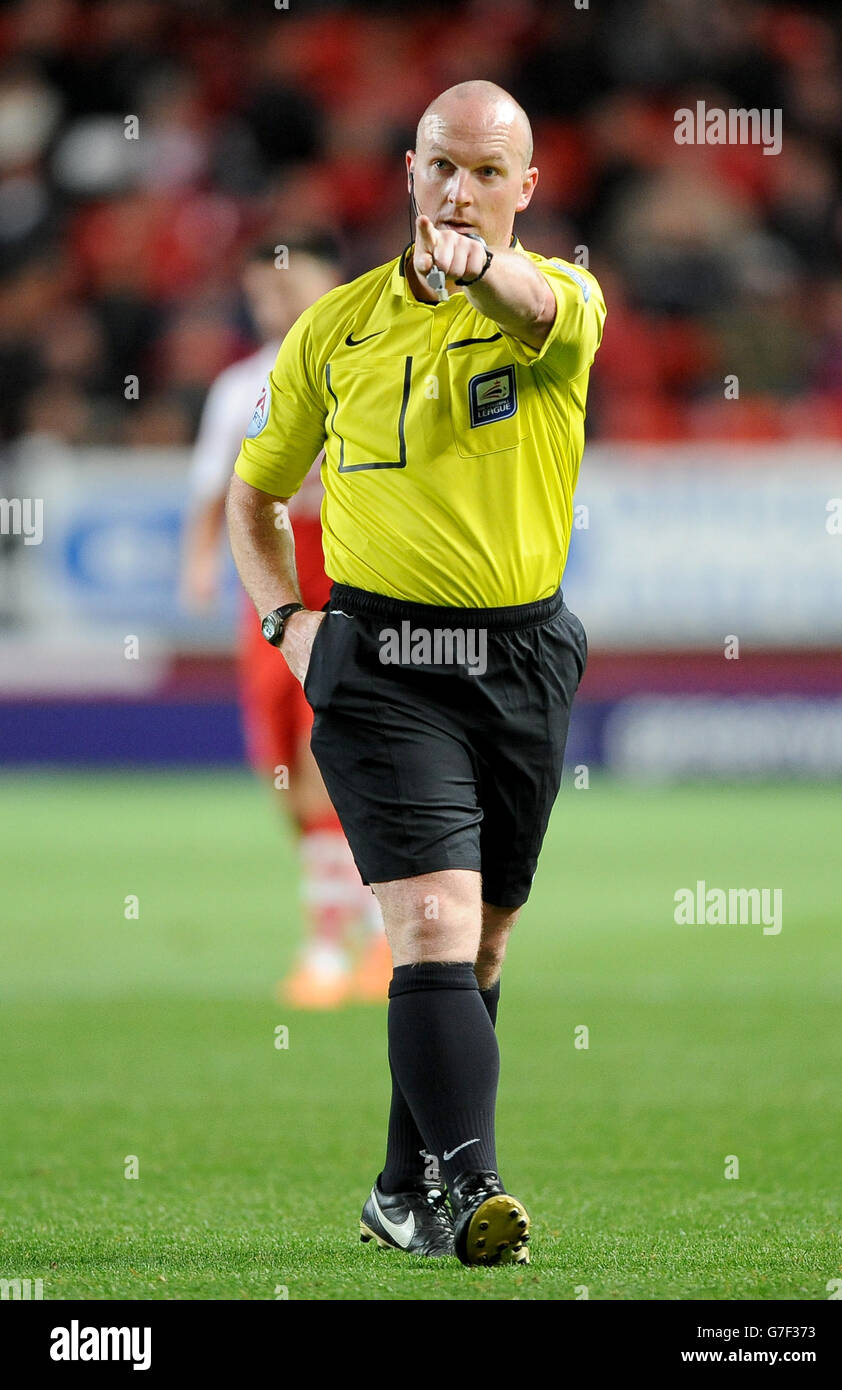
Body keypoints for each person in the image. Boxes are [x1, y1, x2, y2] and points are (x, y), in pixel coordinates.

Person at [225, 80, 606, 1266]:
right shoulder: (332, 329)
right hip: (383, 659)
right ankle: (474, 1189)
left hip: (521, 655)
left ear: (524, 187)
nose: (460, 190)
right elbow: (253, 497)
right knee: (431, 922)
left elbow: (527, 299)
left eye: (489, 172)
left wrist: (478, 268)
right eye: (443, 165)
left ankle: (399, 1190)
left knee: (480, 944)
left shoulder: (561, 302)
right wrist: (286, 619)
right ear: (407, 170)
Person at [181, 238, 389, 1009]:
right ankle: (370, 922)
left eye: (291, 286)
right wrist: (200, 563)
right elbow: (215, 488)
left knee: (320, 759)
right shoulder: (240, 387)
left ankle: (332, 946)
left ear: (332, 285)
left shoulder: (368, 366)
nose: (277, 303)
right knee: (281, 773)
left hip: (347, 588)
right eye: (264, 293)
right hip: (269, 588)